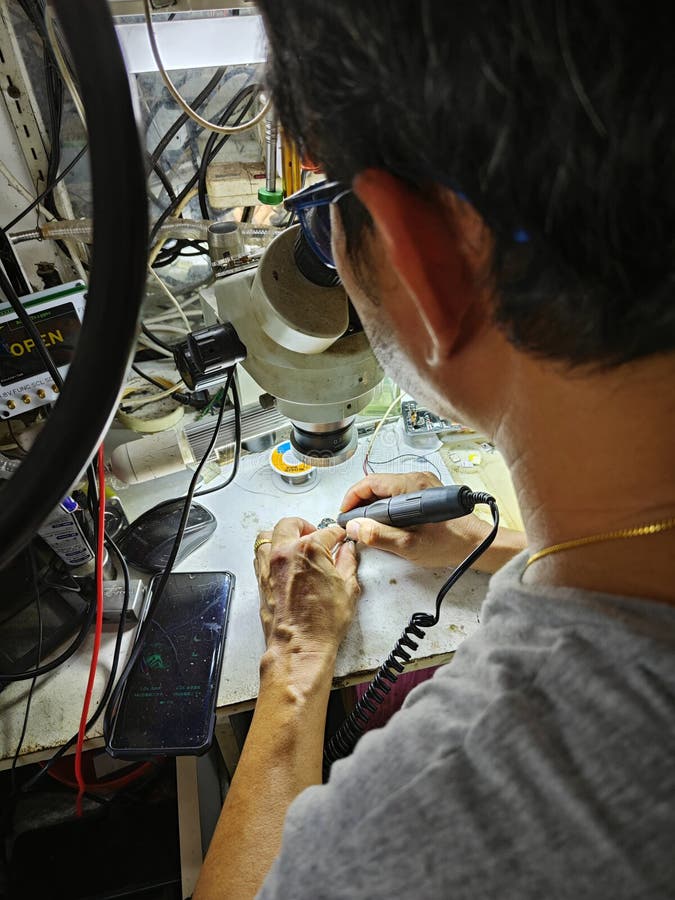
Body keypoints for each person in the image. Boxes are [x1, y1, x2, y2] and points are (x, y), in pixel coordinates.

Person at [194, 3, 675, 897]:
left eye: (325, 208)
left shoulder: (422, 838)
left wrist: (297, 665)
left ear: (425, 256)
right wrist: (507, 557)